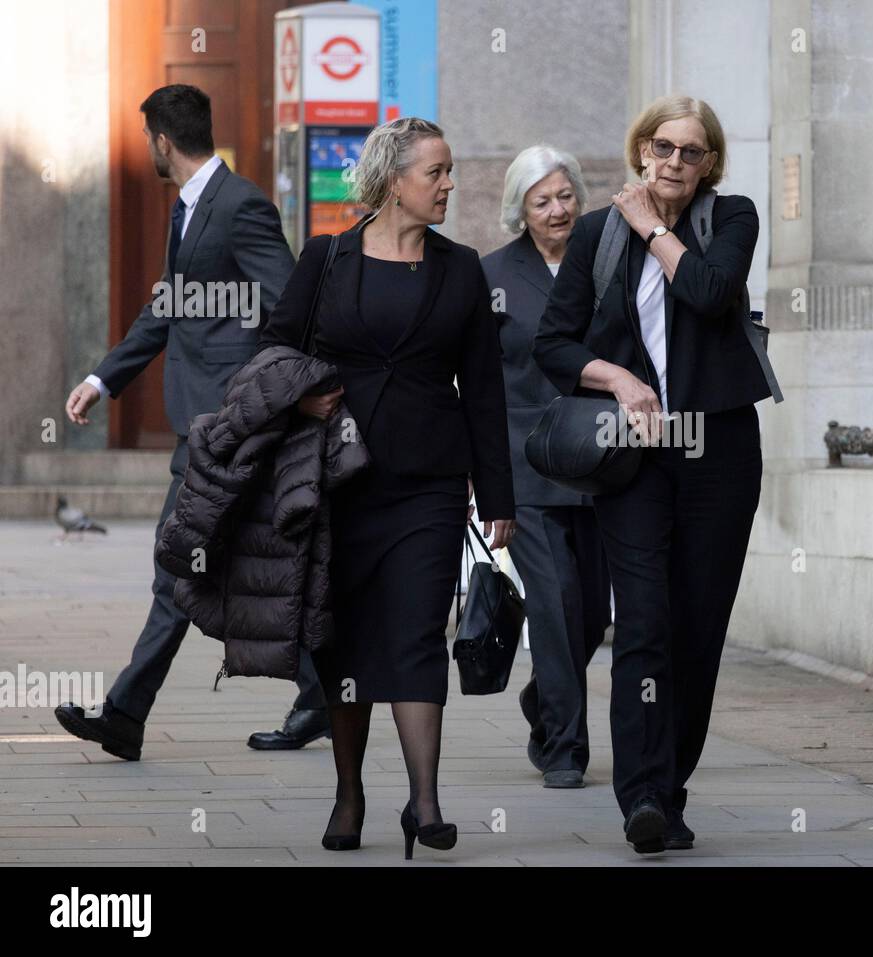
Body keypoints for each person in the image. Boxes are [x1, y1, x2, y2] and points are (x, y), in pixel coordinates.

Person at [259, 116, 516, 857]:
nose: (449, 184)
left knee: (414, 632)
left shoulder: (461, 267)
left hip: (430, 486)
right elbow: (275, 347)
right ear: (393, 180)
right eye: (435, 172)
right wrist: (302, 398)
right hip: (340, 483)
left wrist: (497, 496)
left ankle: (425, 801)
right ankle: (348, 793)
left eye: (450, 170)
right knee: (343, 645)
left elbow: (487, 390)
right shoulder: (329, 259)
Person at [55, 84, 329, 761]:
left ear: (162, 140)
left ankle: (126, 711)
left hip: (229, 426)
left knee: (180, 562)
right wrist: (103, 377)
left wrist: (283, 395)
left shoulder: (240, 207)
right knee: (210, 569)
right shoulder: (189, 208)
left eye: (147, 138)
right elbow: (168, 308)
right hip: (205, 423)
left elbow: (292, 302)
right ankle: (325, 689)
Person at [534, 95, 772, 853]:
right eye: (662, 147)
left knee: (697, 628)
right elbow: (553, 342)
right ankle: (639, 793)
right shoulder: (597, 234)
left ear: (709, 164)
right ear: (641, 150)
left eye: (690, 152)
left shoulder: (731, 220)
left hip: (719, 457)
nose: (673, 162)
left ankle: (670, 789)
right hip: (632, 459)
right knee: (642, 623)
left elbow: (706, 294)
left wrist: (654, 229)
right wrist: (618, 380)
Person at [481, 146, 611, 789]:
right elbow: (476, 384)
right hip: (527, 465)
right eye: (542, 201)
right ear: (520, 211)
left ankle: (542, 699)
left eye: (564, 196)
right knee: (555, 606)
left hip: (601, 458)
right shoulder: (492, 276)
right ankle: (564, 746)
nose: (558, 209)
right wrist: (484, 485)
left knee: (593, 613)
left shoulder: (605, 263)